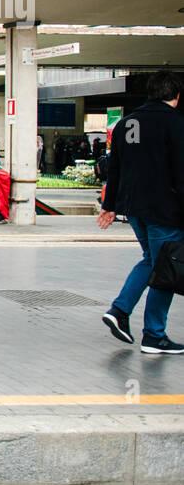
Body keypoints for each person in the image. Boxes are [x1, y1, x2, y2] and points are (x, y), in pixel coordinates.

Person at [98, 71, 184, 354]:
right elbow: (180, 172)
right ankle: (153, 335)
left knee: (153, 260)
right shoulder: (174, 122)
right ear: (177, 95)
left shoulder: (126, 123)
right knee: (166, 268)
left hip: (134, 208)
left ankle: (121, 311)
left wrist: (109, 206)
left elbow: (115, 168)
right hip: (164, 209)